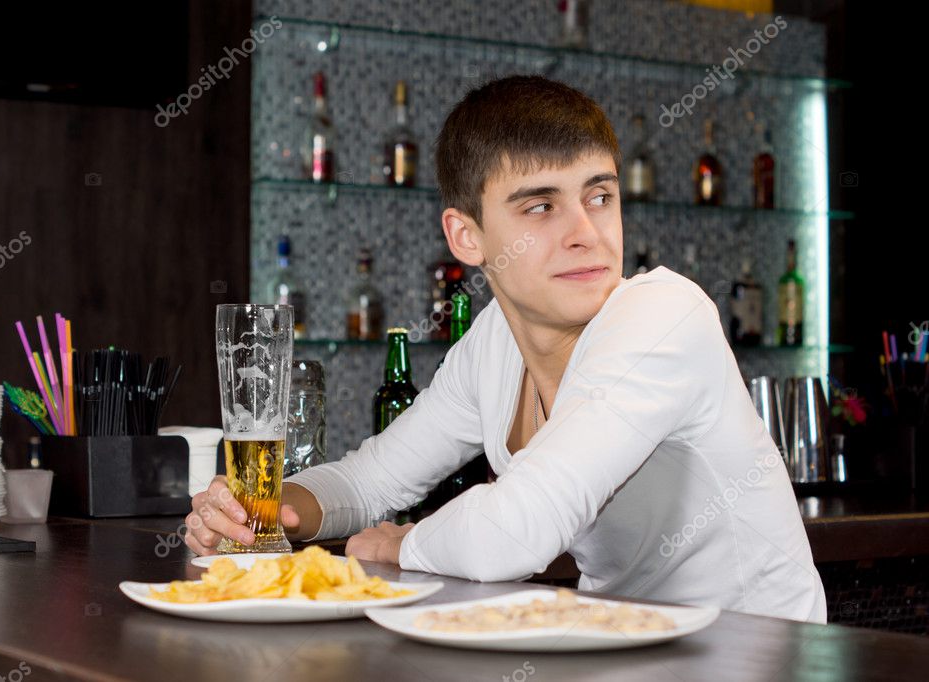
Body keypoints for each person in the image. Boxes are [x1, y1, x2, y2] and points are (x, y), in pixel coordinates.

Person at [185, 75, 826, 623]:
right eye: (540, 207)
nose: (586, 234)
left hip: (756, 654)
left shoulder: (663, 316)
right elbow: (369, 478)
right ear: (467, 236)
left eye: (599, 197)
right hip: (623, 647)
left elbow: (517, 533)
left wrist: (403, 544)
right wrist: (260, 511)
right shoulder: (495, 342)